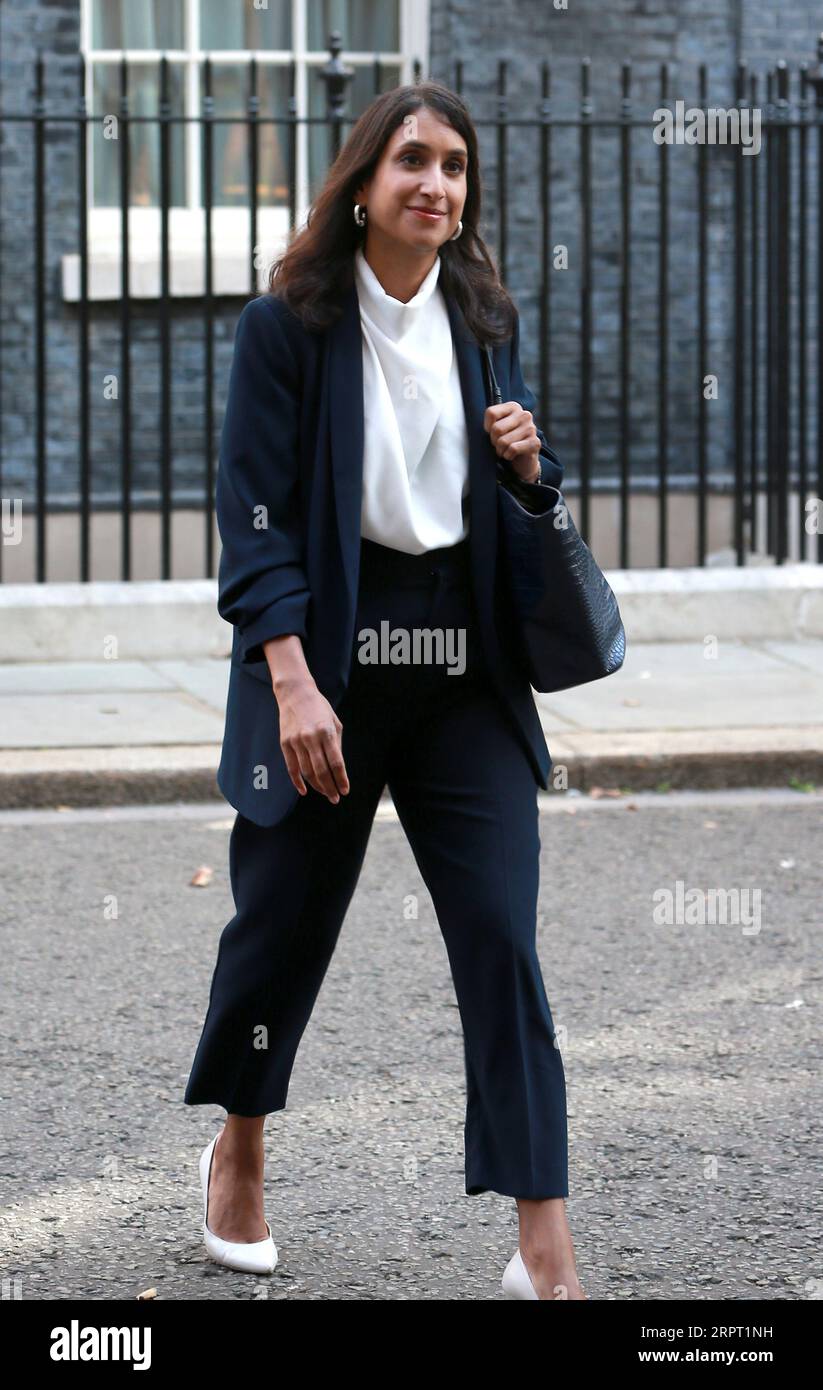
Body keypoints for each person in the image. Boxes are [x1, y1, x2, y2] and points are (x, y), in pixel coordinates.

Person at [184, 79, 587, 1301]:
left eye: (455, 166)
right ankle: (239, 1150)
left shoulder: (479, 310)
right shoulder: (288, 326)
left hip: (462, 664)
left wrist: (529, 465)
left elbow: (516, 492)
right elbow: (252, 524)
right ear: (362, 184)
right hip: (332, 660)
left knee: (501, 944)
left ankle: (545, 1253)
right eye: (411, 159)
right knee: (282, 933)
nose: (436, 184)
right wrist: (292, 680)